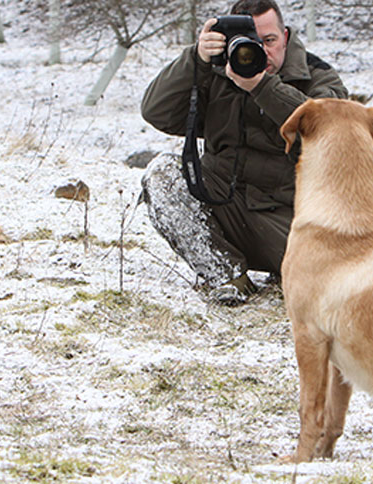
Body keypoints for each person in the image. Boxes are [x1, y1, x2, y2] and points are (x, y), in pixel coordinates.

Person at [140, 0, 348, 304]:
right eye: (253, 43)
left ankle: (288, 272)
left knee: (334, 280)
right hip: (224, 203)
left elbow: (334, 136)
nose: (262, 51)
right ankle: (228, 279)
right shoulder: (214, 72)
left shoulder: (317, 76)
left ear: (286, 37)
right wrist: (195, 59)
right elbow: (157, 112)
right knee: (162, 175)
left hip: (290, 219)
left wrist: (262, 87)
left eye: (270, 41)